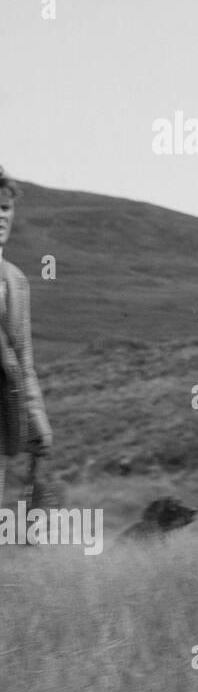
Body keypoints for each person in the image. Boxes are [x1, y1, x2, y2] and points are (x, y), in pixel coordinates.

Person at [0, 167, 53, 508]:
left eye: (5, 207)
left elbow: (24, 360)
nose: (0, 216)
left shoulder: (15, 281)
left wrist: (36, 421)